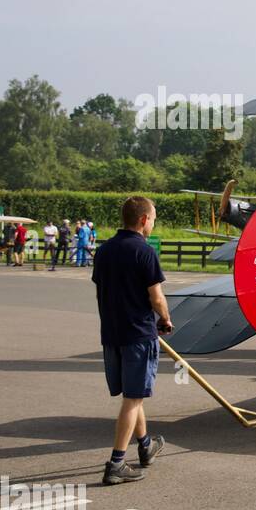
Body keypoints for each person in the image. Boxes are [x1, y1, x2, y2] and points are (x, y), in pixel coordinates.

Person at [92, 196, 171, 484]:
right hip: (138, 334)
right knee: (133, 398)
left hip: (111, 334)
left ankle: (146, 446)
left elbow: (101, 290)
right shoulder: (144, 252)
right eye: (153, 218)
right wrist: (165, 319)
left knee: (133, 395)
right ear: (143, 220)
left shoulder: (104, 251)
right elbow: (157, 297)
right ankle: (116, 463)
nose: (153, 222)